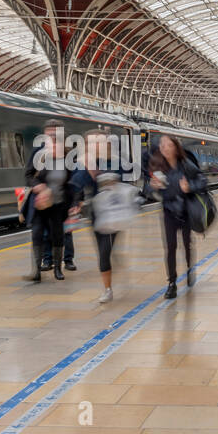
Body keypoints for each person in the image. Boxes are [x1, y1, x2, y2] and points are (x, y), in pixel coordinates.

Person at [73, 129, 134, 304]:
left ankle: (108, 287)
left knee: (105, 250)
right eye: (92, 143)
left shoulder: (116, 161)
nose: (96, 146)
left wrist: (96, 172)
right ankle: (108, 286)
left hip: (114, 211)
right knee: (102, 250)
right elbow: (77, 184)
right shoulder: (84, 162)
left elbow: (123, 180)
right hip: (96, 212)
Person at [146, 133, 207, 299]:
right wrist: (152, 187)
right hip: (168, 211)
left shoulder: (186, 164)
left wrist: (190, 187)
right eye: (162, 145)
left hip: (186, 211)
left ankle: (189, 269)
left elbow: (202, 180)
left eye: (167, 144)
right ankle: (171, 283)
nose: (164, 147)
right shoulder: (158, 166)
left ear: (175, 147)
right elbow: (148, 190)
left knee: (187, 245)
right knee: (170, 247)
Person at [23, 118, 81, 282]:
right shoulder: (38, 154)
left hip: (59, 204)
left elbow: (74, 183)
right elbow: (28, 175)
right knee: (37, 234)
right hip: (40, 203)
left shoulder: (69, 157)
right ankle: (36, 271)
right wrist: (38, 186)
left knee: (57, 235)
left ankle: (58, 268)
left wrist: (76, 203)